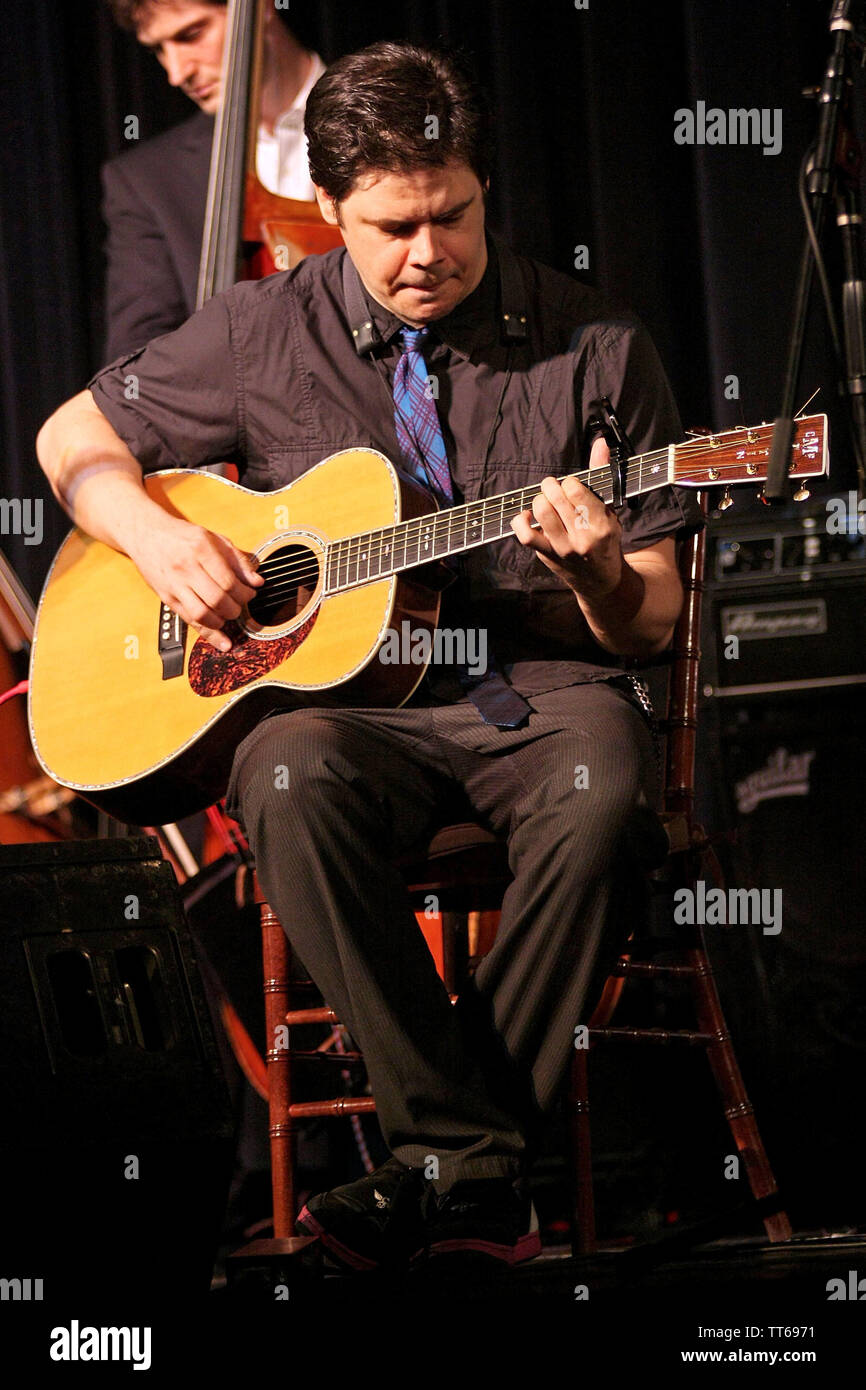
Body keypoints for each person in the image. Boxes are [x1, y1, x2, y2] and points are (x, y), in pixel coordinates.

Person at [37, 40, 704, 1273]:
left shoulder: (596, 343)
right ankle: (473, 1165)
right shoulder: (256, 330)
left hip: (540, 696)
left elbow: (656, 624)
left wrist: (602, 569)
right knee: (282, 770)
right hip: (358, 714)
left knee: (607, 787)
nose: (426, 253)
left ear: (481, 189)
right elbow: (70, 436)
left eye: (451, 214)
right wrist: (157, 538)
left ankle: (441, 1168)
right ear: (329, 209)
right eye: (391, 225)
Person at [101, 0, 326, 358]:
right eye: (159, 48)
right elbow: (137, 357)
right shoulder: (146, 179)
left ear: (262, 7)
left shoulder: (396, 119)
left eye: (191, 34)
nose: (176, 73)